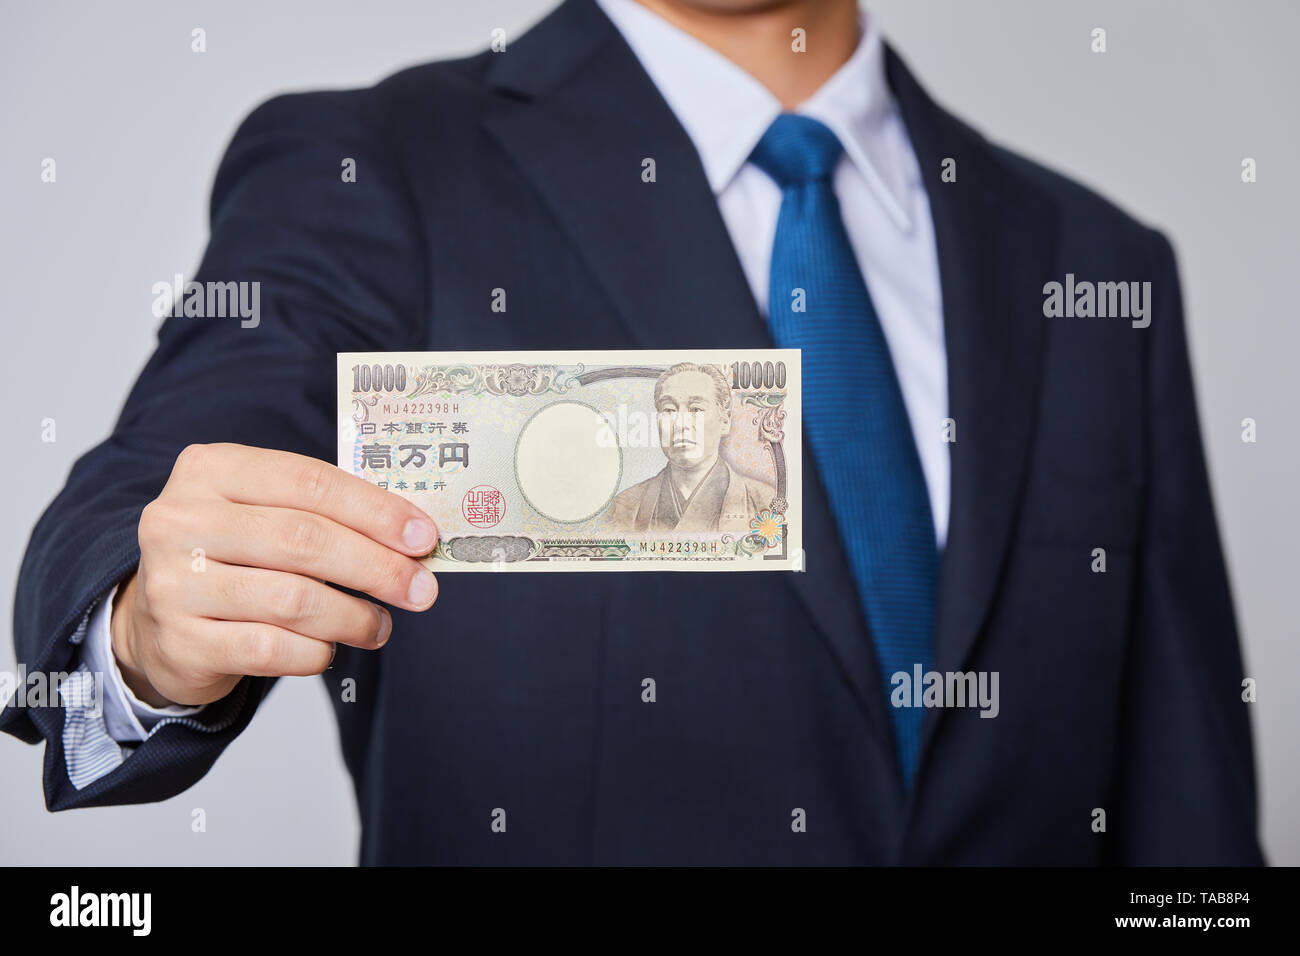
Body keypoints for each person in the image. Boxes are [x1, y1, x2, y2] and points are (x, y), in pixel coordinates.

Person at [1, 0, 1264, 864]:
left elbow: (1185, 808)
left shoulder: (1097, 262)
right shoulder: (376, 165)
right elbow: (176, 458)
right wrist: (146, 624)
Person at [604, 362, 778, 532]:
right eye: (669, 410)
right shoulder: (624, 508)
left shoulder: (765, 503)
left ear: (725, 421)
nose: (680, 423)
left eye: (695, 409)